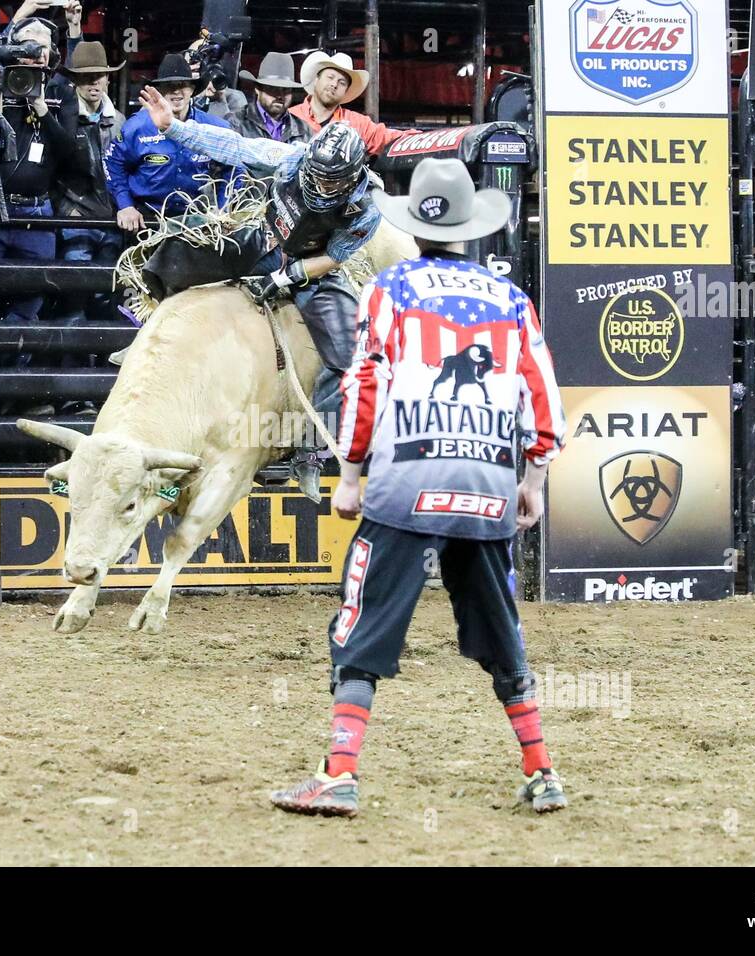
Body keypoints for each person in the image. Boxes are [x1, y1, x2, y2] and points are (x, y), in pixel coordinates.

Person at [269, 158, 569, 818]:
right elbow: (541, 397)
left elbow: (363, 384)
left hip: (407, 480)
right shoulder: (512, 300)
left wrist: (349, 474)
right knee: (501, 627)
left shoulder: (390, 291)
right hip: (487, 482)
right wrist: (534, 481)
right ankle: (542, 768)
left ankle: (340, 773)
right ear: (471, 228)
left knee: (364, 623)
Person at [135, 84, 380, 500]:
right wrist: (173, 127)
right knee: (175, 250)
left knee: (349, 354)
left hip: (313, 269)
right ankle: (149, 331)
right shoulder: (291, 160)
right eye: (317, 177)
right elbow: (232, 145)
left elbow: (336, 256)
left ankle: (310, 448)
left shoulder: (365, 210)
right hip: (263, 241)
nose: (320, 187)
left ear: (352, 174)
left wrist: (288, 278)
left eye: (330, 180)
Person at [0, 17, 78, 374]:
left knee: (29, 306)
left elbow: (69, 152)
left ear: (52, 53)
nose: (34, 52)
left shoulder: (62, 91)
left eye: (42, 45)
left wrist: (42, 109)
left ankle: (14, 383)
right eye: (27, 44)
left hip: (39, 214)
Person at [105, 54, 237, 233]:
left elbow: (236, 167)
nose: (176, 91)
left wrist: (223, 207)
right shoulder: (137, 127)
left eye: (182, 85)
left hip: (197, 222)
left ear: (192, 89)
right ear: (158, 90)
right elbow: (112, 162)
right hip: (147, 221)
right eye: (169, 86)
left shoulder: (214, 128)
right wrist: (125, 205)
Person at [56, 40, 125, 329]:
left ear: (108, 79)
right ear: (75, 82)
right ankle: (74, 365)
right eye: (86, 77)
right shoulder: (64, 119)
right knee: (75, 291)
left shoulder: (120, 121)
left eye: (99, 76)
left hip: (109, 219)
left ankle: (93, 363)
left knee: (104, 293)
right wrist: (65, 208)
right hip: (78, 217)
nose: (93, 83)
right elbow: (52, 169)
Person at [290, 52, 412, 156]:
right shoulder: (291, 117)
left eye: (341, 82)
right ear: (316, 80)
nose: (334, 84)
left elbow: (388, 138)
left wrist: (428, 139)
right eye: (330, 77)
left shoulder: (357, 124)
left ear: (346, 91)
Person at [229, 52, 311, 145]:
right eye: (273, 89)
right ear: (258, 89)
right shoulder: (236, 121)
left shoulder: (303, 129)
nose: (280, 95)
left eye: (286, 90)